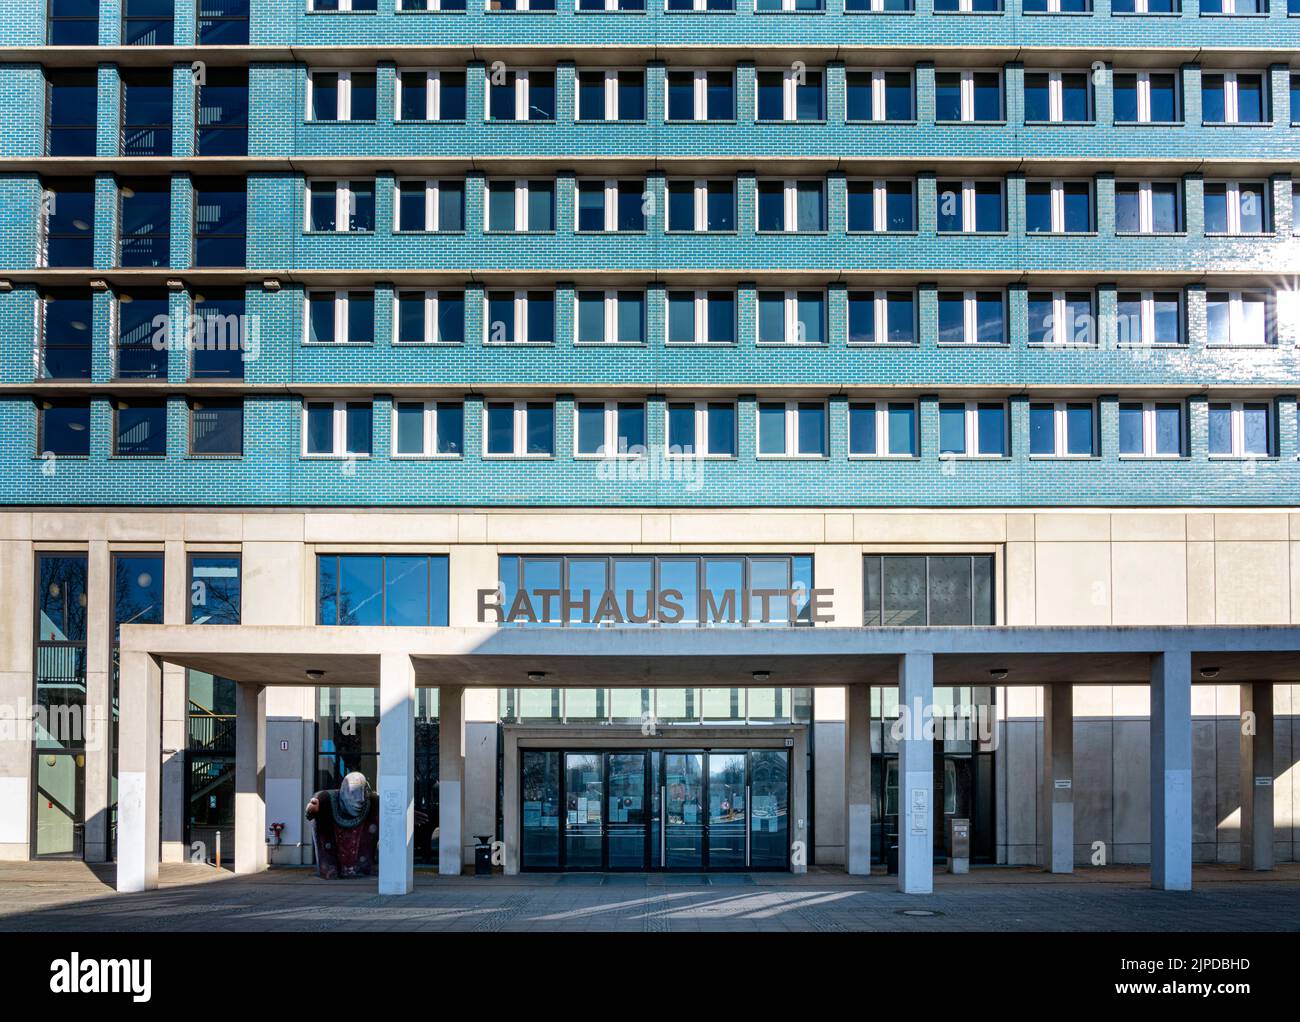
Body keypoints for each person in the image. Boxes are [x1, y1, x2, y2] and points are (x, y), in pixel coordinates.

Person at [306, 771, 380, 879]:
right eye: (354, 793)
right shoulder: (325, 799)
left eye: (363, 792)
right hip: (331, 848)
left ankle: (364, 865)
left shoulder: (372, 802)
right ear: (343, 791)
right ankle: (329, 865)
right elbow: (312, 809)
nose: (361, 799)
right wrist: (313, 810)